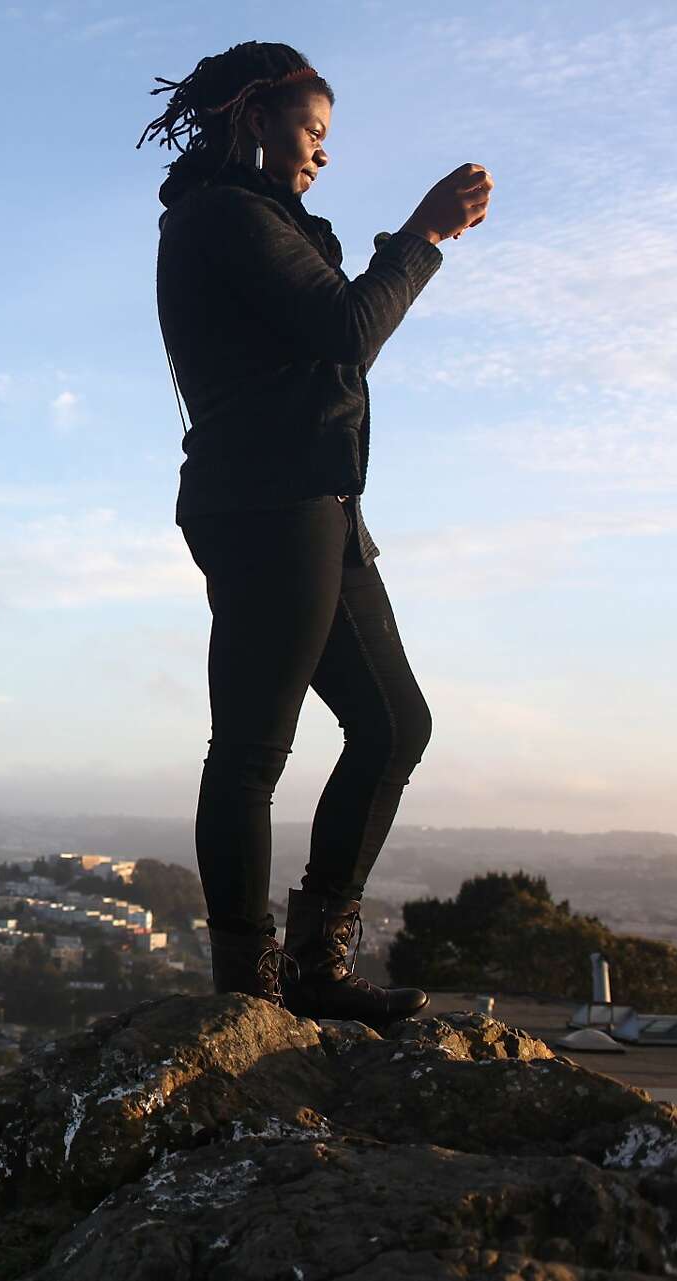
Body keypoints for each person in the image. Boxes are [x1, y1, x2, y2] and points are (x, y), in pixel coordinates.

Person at [138, 42, 491, 1026]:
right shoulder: (222, 216)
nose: (321, 153)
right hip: (265, 507)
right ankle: (249, 993)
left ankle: (316, 969)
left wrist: (400, 246)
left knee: (391, 727)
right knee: (252, 750)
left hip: (320, 505)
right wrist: (421, 235)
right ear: (255, 119)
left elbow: (333, 326)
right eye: (312, 131)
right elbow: (346, 329)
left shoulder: (259, 219)